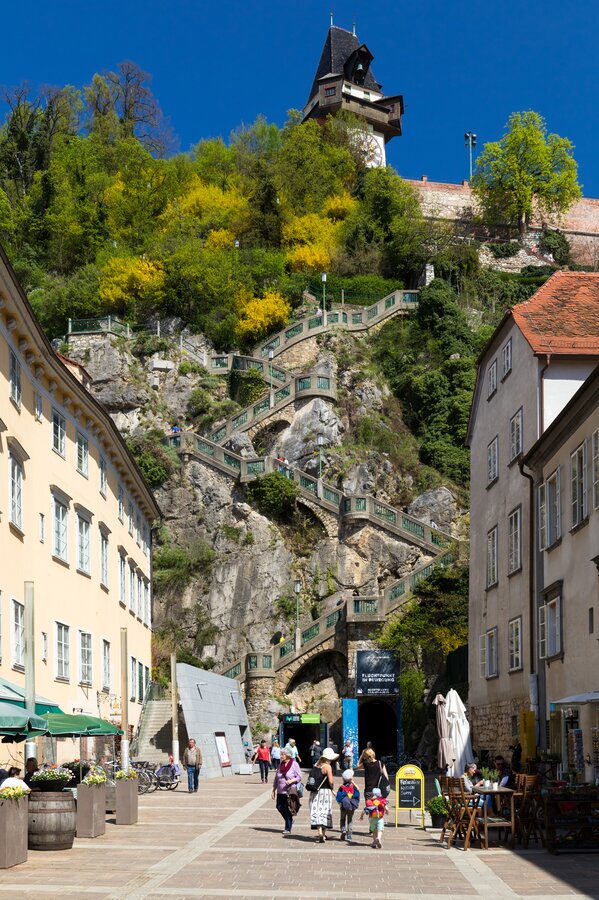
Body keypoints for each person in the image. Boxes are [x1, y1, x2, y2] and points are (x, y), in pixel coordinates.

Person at [309, 747, 337, 843]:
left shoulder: (316, 765)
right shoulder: (327, 767)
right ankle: (323, 834)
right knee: (325, 811)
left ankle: (320, 832)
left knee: (316, 811)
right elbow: (331, 781)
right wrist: (332, 788)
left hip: (315, 791)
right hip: (325, 792)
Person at [272, 748, 302, 836]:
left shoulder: (294, 764)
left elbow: (299, 777)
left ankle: (288, 828)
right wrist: (273, 790)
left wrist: (291, 781)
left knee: (287, 808)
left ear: (288, 755)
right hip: (280, 790)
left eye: (282, 754)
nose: (281, 756)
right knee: (279, 807)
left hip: (289, 790)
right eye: (281, 754)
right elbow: (276, 778)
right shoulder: (280, 765)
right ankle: (290, 820)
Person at [336, 768, 360, 843]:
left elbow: (339, 797)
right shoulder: (353, 787)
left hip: (343, 805)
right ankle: (349, 835)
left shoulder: (341, 787)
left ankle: (343, 830)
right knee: (350, 820)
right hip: (351, 806)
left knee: (342, 819)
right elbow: (357, 794)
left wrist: (340, 803)